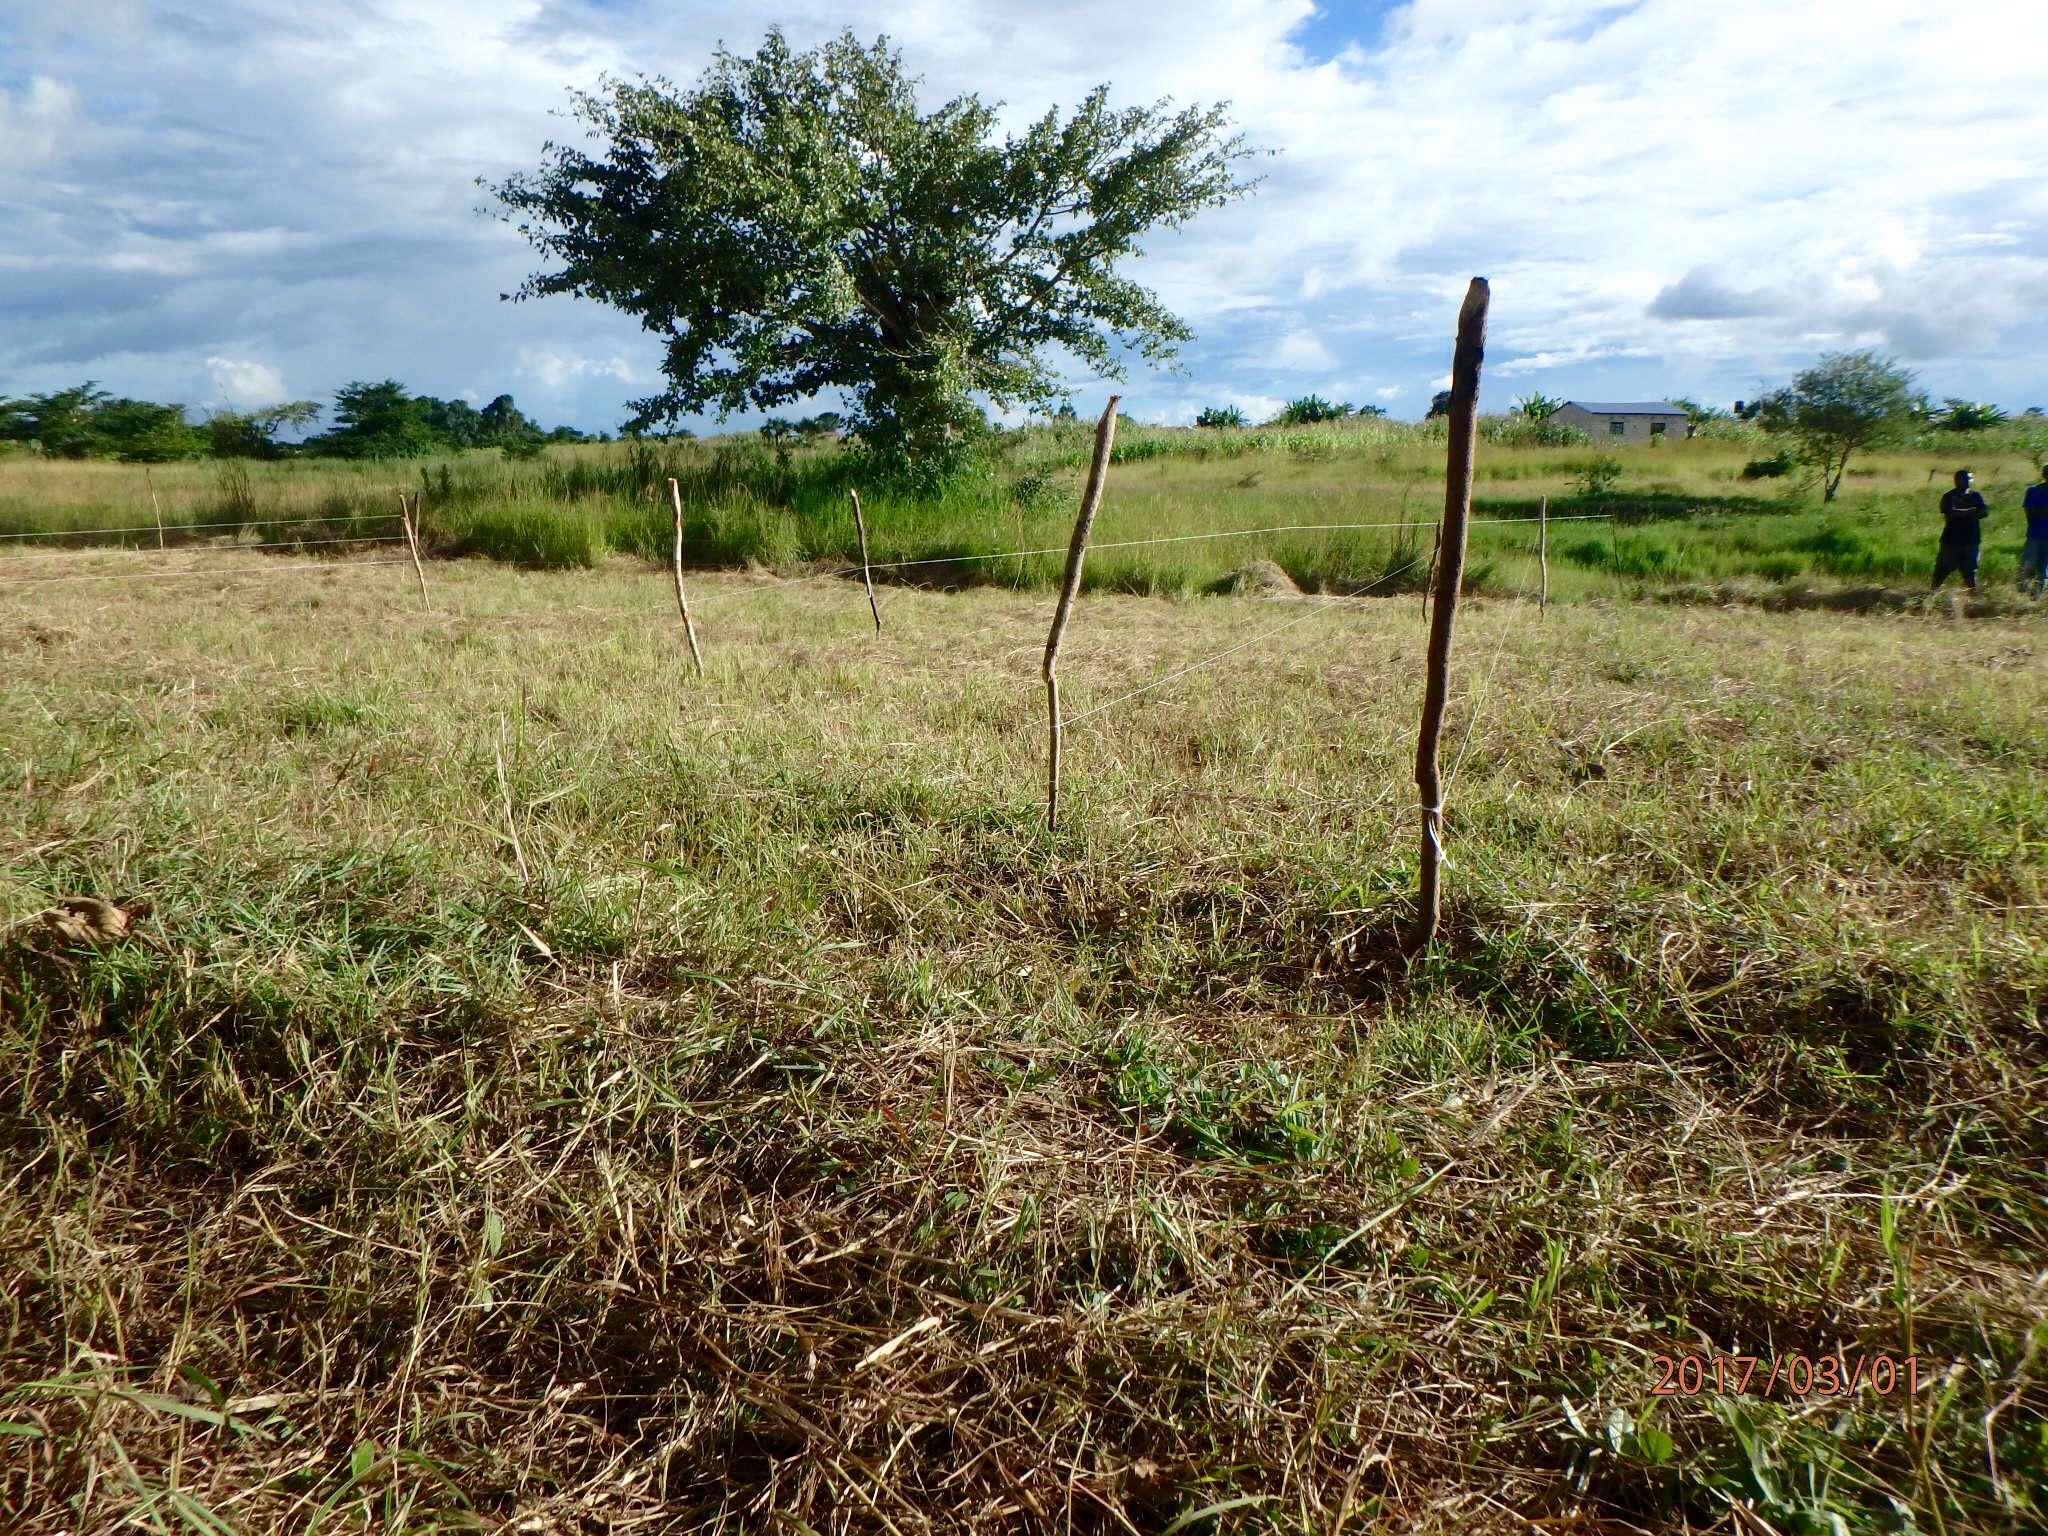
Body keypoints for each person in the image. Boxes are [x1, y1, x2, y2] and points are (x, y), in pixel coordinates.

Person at [1933, 469, 1989, 592]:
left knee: (1970, 571)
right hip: (1952, 539)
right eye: (1966, 478)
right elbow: (1951, 513)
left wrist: (1962, 512)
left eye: (1970, 478)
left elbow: (1984, 512)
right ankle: (1932, 593)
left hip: (1972, 539)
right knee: (1943, 569)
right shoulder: (1949, 496)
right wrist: (1972, 511)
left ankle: (1972, 596)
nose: (1969, 481)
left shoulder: (1976, 495)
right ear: (1957, 480)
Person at [2020, 464, 2048, 600]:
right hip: (2035, 534)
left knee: (2044, 569)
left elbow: (2033, 512)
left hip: (2038, 533)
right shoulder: (2033, 491)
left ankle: (2035, 596)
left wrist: (2041, 511)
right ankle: (2020, 591)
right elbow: (2029, 513)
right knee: (2029, 565)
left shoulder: (2033, 491)